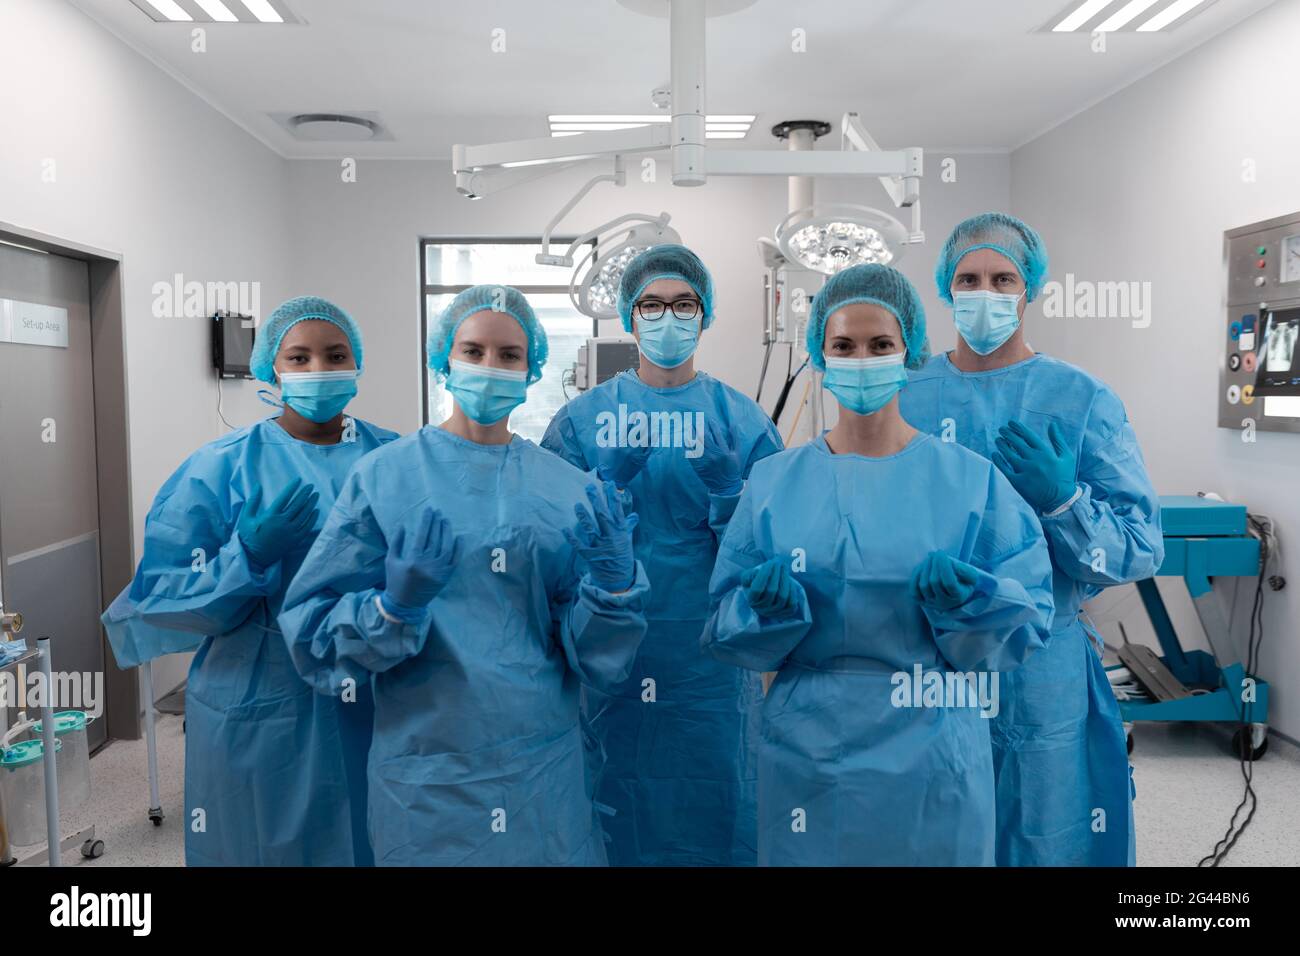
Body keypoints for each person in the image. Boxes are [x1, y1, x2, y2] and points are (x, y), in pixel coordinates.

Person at [278, 284, 650, 866]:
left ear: (533, 369)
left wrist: (612, 590)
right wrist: (392, 609)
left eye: (508, 356)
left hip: (540, 767)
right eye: (473, 351)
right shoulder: (385, 478)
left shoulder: (565, 488)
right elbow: (314, 637)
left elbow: (600, 661)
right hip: (427, 775)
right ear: (442, 360)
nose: (489, 367)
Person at [701, 263, 1055, 866]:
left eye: (880, 344)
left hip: (933, 746)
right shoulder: (774, 482)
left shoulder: (968, 479)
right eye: (843, 345)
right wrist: (766, 615)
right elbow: (727, 628)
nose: (861, 358)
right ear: (820, 354)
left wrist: (968, 608)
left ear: (909, 351)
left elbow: (1028, 617)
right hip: (808, 746)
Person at [899, 213, 1164, 866]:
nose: (984, 292)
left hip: (1039, 666)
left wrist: (1065, 502)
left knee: (1042, 829)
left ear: (1031, 288)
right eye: (968, 278)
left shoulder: (1079, 399)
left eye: (1002, 278)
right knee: (927, 827)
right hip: (922, 655)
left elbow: (1138, 545)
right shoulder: (906, 394)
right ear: (944, 287)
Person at [102, 296, 398, 866]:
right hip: (262, 702)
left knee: (368, 840)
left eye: (335, 355)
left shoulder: (394, 459)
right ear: (272, 369)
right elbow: (164, 600)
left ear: (356, 363)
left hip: (373, 693)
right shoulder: (220, 468)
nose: (318, 369)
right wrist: (247, 557)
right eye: (299, 357)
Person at [541, 245, 783, 866]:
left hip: (711, 667)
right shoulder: (580, 422)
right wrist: (605, 490)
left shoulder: (742, 421)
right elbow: (553, 555)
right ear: (628, 316)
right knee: (618, 805)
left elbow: (772, 557)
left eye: (683, 304)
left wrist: (730, 499)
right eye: (651, 304)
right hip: (612, 657)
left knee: (717, 806)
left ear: (704, 317)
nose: (667, 317)